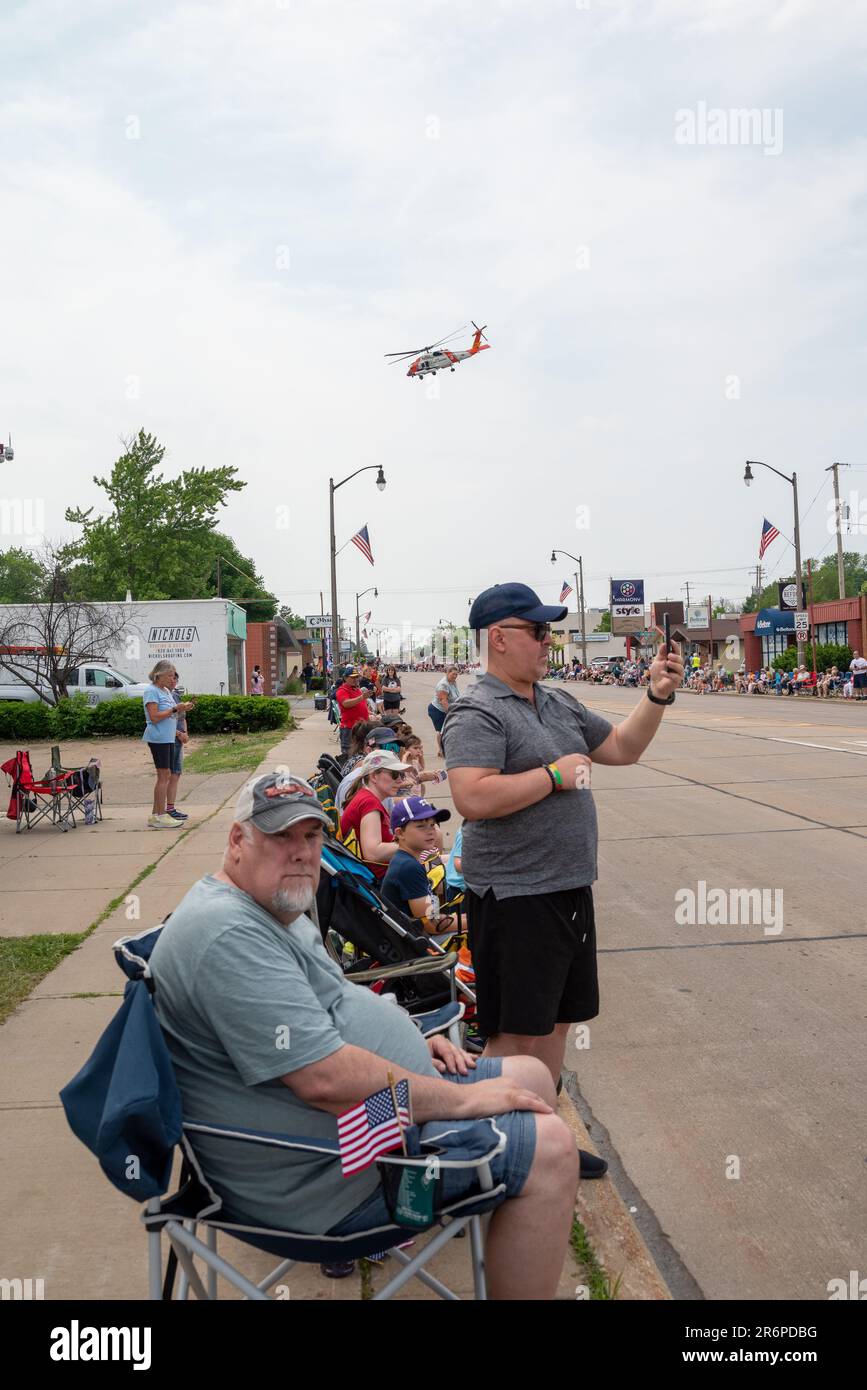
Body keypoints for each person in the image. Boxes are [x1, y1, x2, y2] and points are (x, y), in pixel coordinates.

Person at [148, 769, 579, 1300]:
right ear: (238, 840)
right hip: (319, 1166)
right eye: (281, 836)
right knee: (551, 1148)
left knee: (533, 1074)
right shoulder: (228, 936)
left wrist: (409, 1039)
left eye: (311, 836)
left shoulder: (267, 906)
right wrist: (459, 1103)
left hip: (337, 1124)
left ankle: (509, 1212)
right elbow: (324, 1082)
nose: (302, 851)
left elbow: (328, 1010)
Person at [442, 581, 683, 1106]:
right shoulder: (477, 710)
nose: (548, 640)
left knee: (556, 1023)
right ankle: (495, 1137)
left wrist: (656, 694)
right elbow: (472, 796)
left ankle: (541, 1127)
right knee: (515, 1032)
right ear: (498, 638)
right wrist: (553, 776)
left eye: (548, 630)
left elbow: (622, 747)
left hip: (569, 889)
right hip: (515, 896)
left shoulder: (557, 701)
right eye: (537, 630)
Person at [381, 796, 456, 934]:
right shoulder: (408, 867)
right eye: (421, 826)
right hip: (417, 946)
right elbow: (432, 926)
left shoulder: (406, 860)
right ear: (400, 833)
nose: (430, 831)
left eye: (432, 824)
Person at [142, 661, 195, 830]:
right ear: (160, 675)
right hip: (158, 738)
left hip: (168, 738)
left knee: (166, 775)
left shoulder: (165, 691)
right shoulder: (151, 691)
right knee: (163, 776)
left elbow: (172, 711)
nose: (173, 679)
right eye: (170, 676)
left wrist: (182, 708)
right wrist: (174, 710)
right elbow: (154, 717)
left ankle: (156, 814)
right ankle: (160, 815)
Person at [338, 749, 406, 877]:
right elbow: (373, 853)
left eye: (401, 775)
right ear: (374, 776)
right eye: (395, 774)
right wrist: (411, 844)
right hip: (380, 882)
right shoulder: (369, 803)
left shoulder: (365, 798)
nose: (400, 781)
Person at [167, 670, 190, 822]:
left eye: (175, 679)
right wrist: (178, 734)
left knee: (177, 772)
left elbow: (182, 717)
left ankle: (171, 807)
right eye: (171, 678)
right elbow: (165, 720)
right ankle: (168, 809)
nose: (173, 681)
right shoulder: (164, 697)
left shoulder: (175, 695)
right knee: (170, 773)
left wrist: (185, 733)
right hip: (171, 738)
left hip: (179, 738)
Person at [336, 666, 371, 757]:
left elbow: (361, 706)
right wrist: (362, 697)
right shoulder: (342, 690)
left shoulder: (357, 689)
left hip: (361, 728)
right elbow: (346, 703)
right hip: (349, 729)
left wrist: (370, 714)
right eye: (353, 677)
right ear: (345, 678)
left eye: (357, 677)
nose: (356, 679)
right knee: (349, 755)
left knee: (362, 753)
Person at [429, 666, 461, 757]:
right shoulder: (443, 685)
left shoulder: (453, 682)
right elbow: (443, 701)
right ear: (447, 673)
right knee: (441, 731)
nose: (455, 676)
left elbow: (456, 695)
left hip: (447, 709)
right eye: (453, 674)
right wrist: (451, 713)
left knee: (447, 729)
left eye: (456, 674)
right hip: (437, 710)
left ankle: (446, 749)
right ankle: (441, 750)